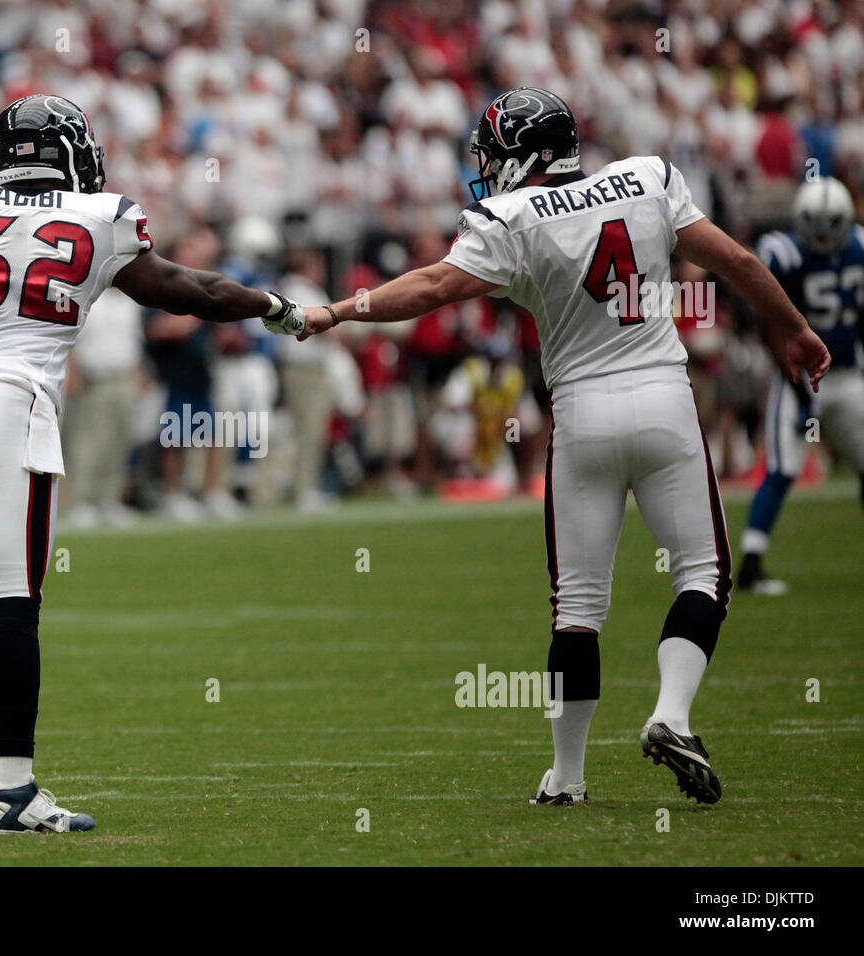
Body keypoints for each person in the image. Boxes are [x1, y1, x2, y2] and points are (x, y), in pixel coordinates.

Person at [275, 88, 830, 805]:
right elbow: (740, 264)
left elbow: (435, 285)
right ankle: (671, 714)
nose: (487, 165)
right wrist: (792, 328)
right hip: (663, 398)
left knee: (576, 607)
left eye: (496, 152)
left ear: (528, 153)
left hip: (581, 416)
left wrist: (336, 311)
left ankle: (567, 778)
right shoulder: (651, 177)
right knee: (701, 576)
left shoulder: (511, 215)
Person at [0, 94, 300, 834]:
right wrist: (274, 305)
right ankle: (15, 795)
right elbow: (191, 290)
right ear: (70, 151)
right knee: (14, 603)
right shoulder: (99, 216)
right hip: (10, 410)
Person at [737, 177, 864, 594]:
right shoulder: (783, 253)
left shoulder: (858, 248)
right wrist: (795, 389)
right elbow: (764, 319)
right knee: (782, 468)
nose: (824, 234)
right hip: (798, 376)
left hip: (846, 374)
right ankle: (751, 566)